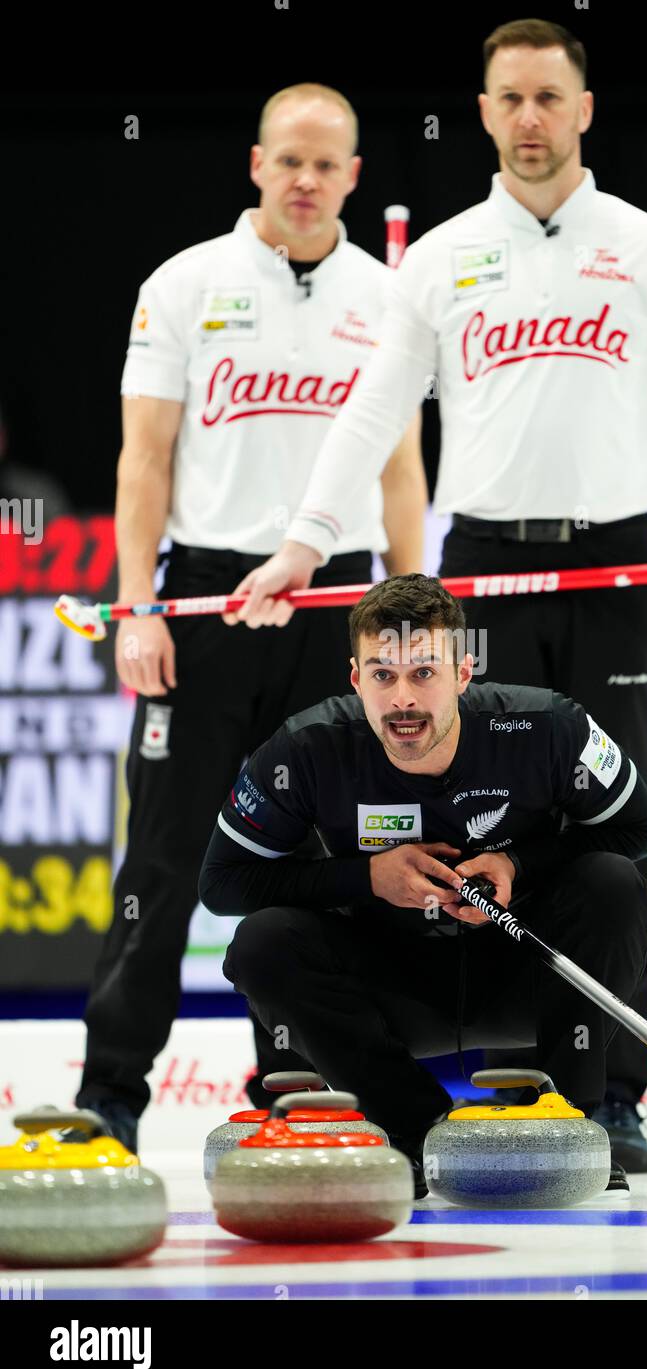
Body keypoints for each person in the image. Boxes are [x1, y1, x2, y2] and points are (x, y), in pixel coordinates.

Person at [220, 22, 647, 1172]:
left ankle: (607, 1097)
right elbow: (374, 412)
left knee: (617, 847)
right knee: (444, 802)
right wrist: (304, 544)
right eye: (508, 97)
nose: (528, 117)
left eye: (547, 97)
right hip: (480, 569)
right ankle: (412, 1076)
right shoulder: (444, 256)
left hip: (612, 564)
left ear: (581, 108)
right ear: (481, 111)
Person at [72, 84, 427, 1152]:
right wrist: (139, 607)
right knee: (165, 860)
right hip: (210, 604)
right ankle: (110, 1093)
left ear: (356, 176)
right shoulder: (185, 284)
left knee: (327, 858)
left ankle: (299, 1083)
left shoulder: (388, 296)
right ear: (257, 166)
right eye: (289, 162)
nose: (307, 181)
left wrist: (412, 622)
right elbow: (145, 458)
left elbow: (403, 471)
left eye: (327, 165)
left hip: (340, 606)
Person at [199, 573, 647, 1197]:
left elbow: (641, 830)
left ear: (464, 673)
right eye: (383, 674)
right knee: (262, 942)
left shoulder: (548, 726)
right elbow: (223, 885)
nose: (404, 700)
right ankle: (416, 1129)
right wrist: (366, 877)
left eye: (424, 672)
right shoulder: (303, 750)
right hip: (393, 988)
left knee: (614, 884)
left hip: (520, 969)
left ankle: (565, 1128)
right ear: (356, 678)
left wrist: (519, 865)